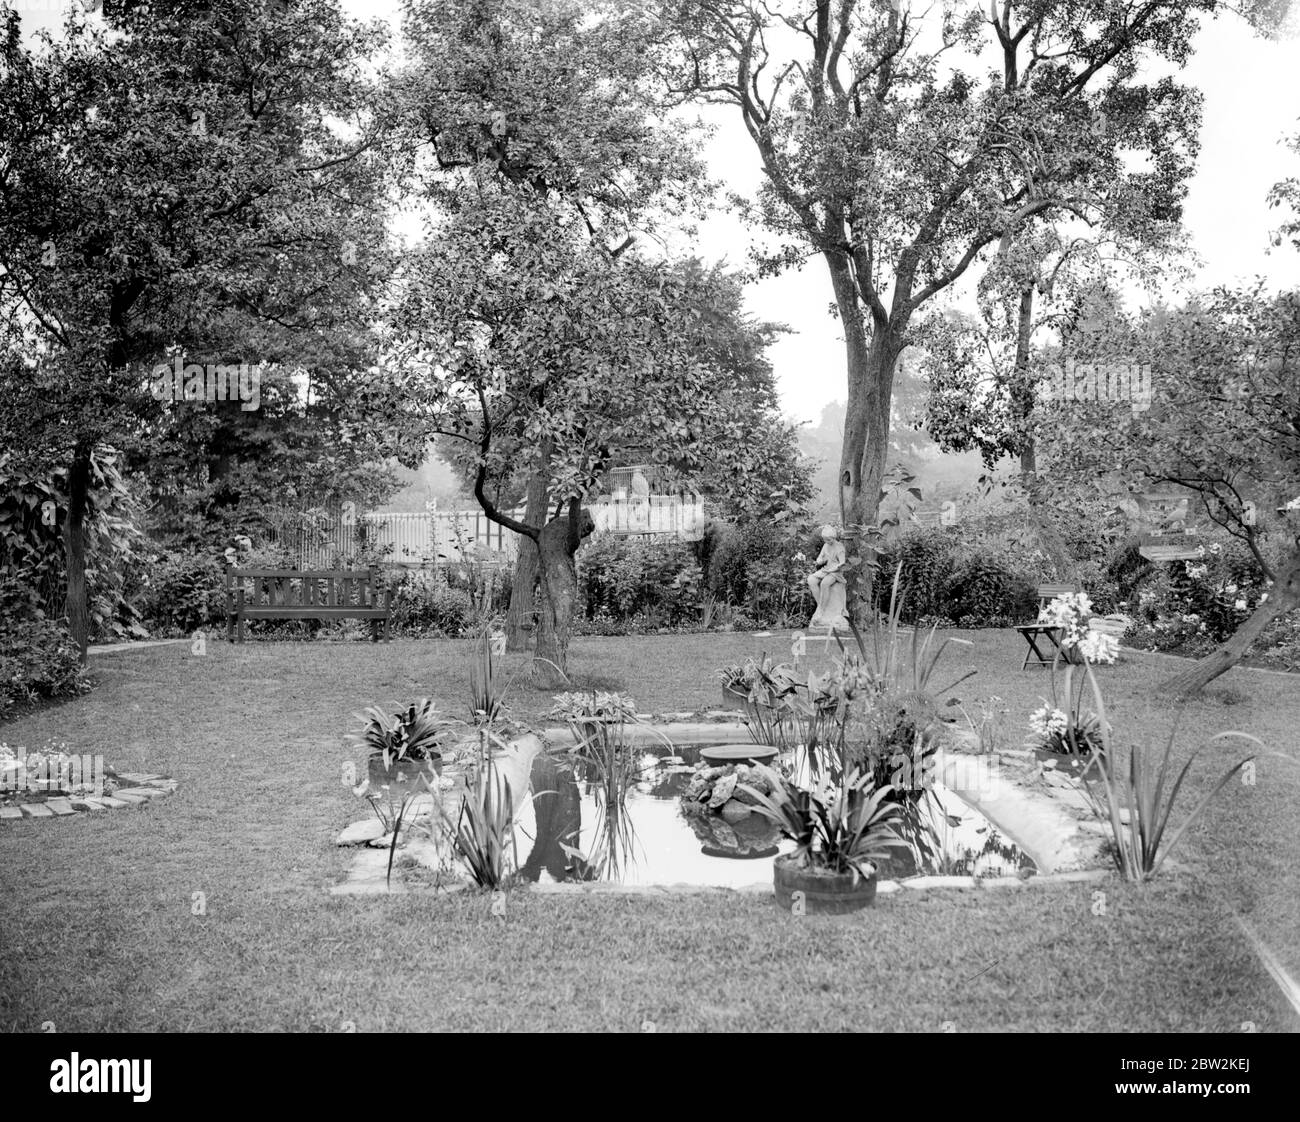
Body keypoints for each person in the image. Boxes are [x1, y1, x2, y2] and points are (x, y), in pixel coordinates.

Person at [807, 525, 849, 630]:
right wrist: (819, 560)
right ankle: (821, 607)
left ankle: (821, 610)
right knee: (811, 579)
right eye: (825, 539)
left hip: (836, 572)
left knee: (824, 583)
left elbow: (842, 562)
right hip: (826, 569)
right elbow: (821, 556)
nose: (827, 541)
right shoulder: (826, 545)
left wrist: (833, 569)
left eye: (829, 539)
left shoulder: (839, 547)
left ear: (834, 537)